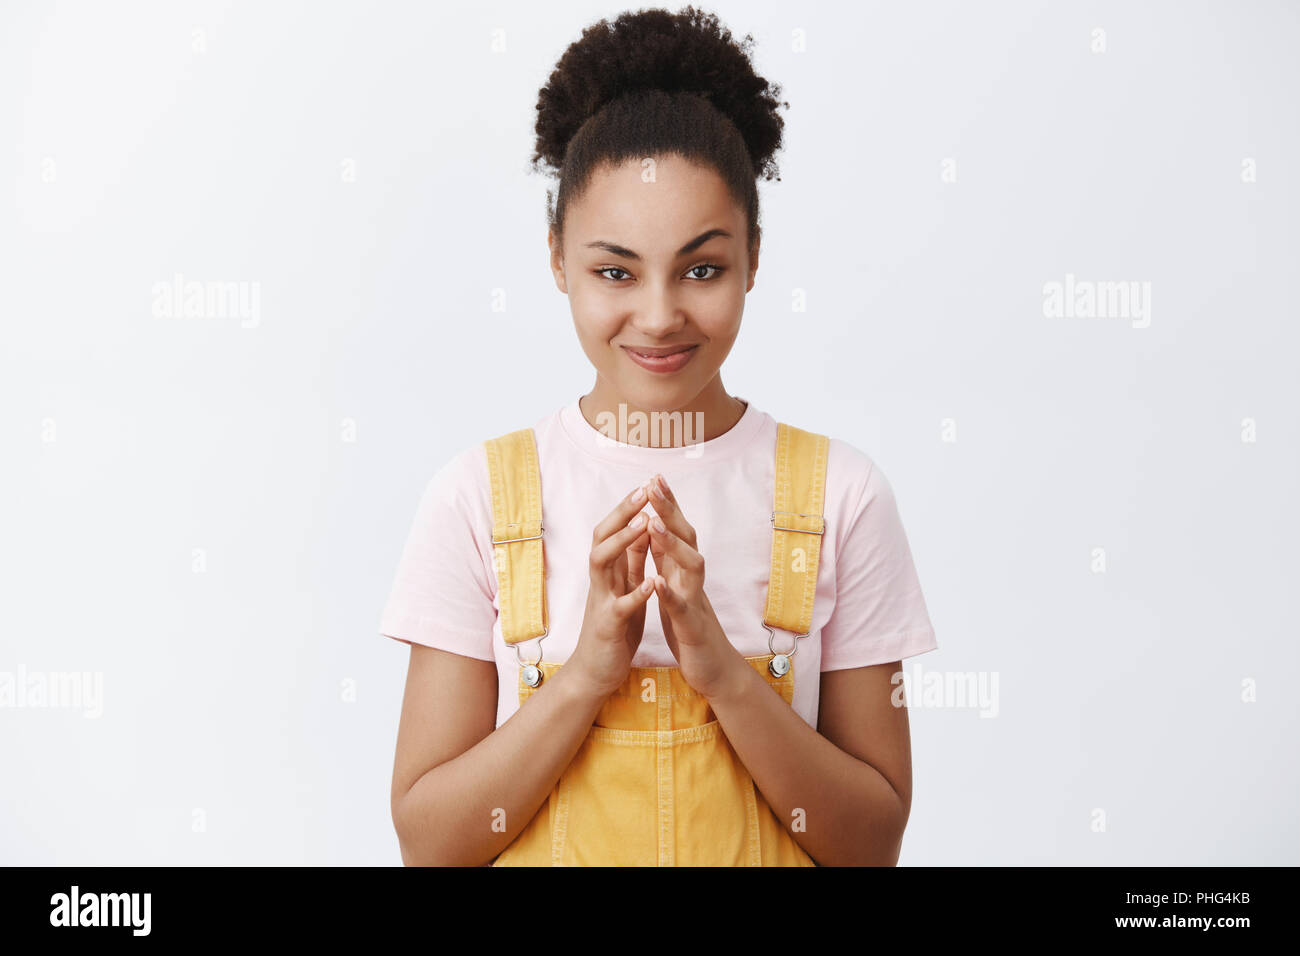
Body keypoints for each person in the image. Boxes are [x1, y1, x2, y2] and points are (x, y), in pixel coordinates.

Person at [380, 5, 938, 866]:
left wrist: (719, 668)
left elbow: (870, 846)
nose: (659, 315)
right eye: (614, 271)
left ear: (755, 256)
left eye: (703, 268)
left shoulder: (843, 497)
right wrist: (586, 674)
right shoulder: (477, 499)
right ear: (557, 258)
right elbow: (430, 844)